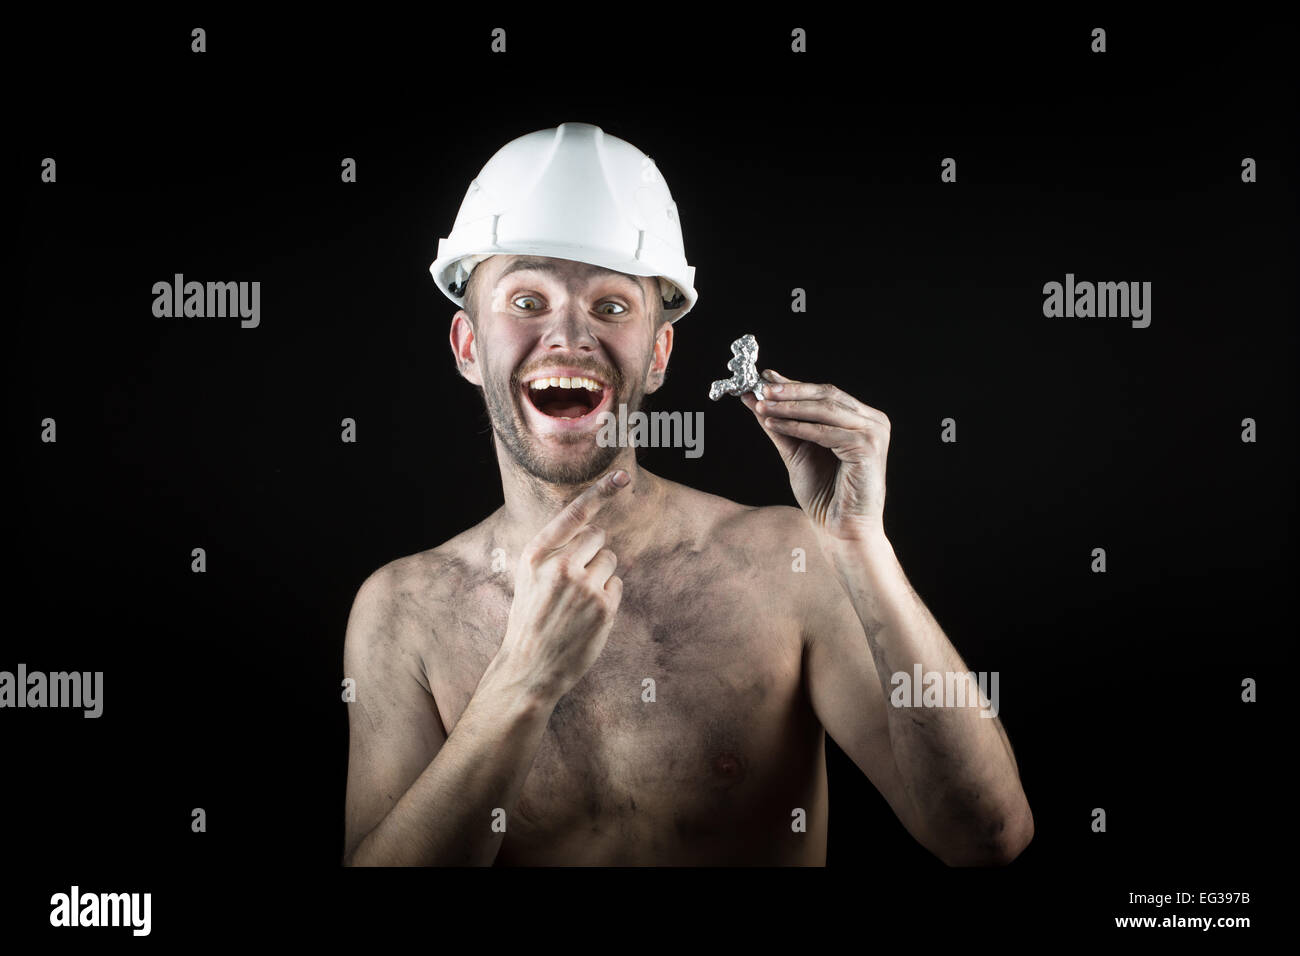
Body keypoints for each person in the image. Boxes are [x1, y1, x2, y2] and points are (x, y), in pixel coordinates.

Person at [342, 123, 1032, 865]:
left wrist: (863, 548)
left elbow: (987, 837)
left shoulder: (788, 565)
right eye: (527, 300)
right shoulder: (402, 612)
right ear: (470, 346)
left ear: (659, 352)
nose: (569, 335)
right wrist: (522, 682)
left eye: (611, 306)